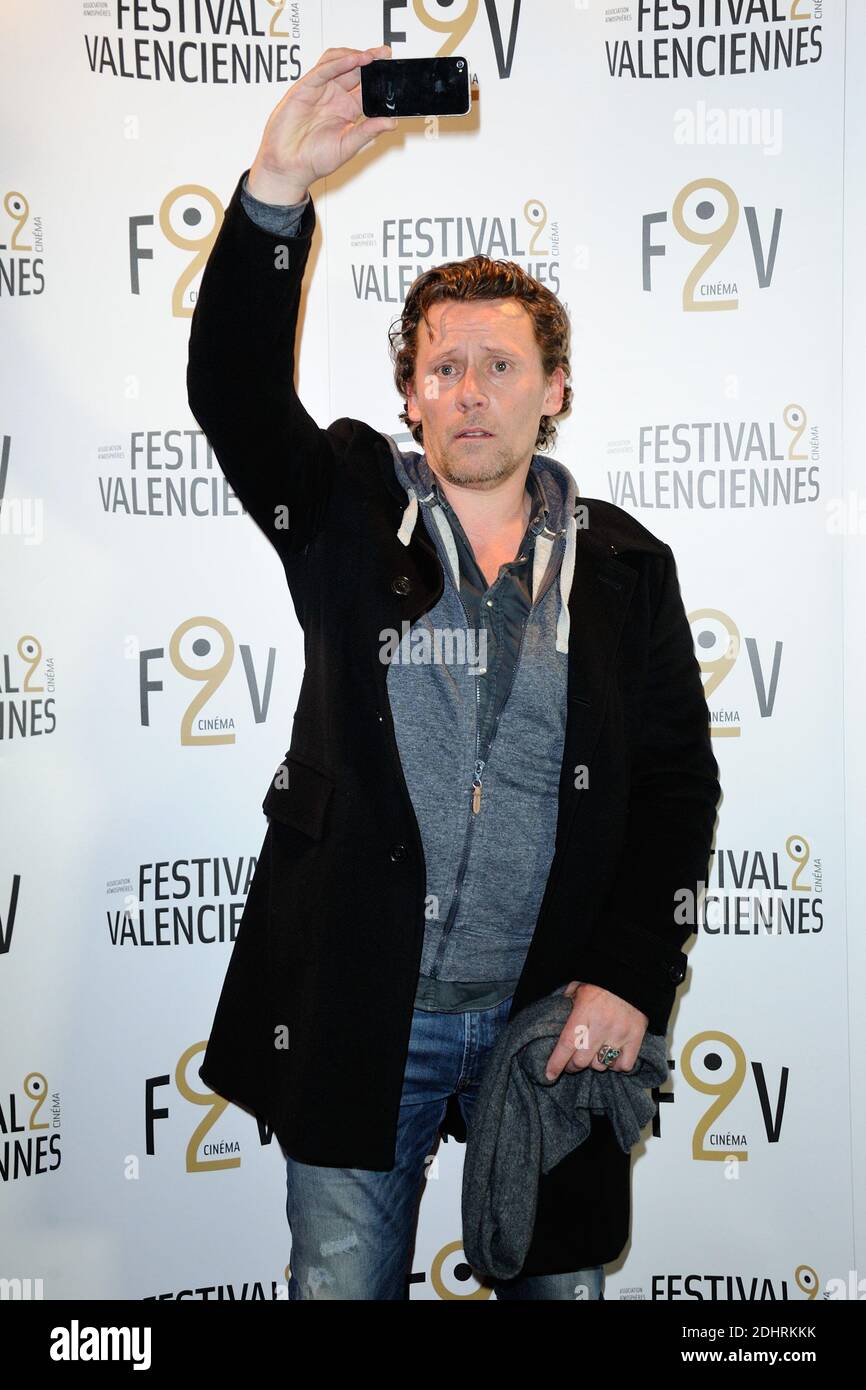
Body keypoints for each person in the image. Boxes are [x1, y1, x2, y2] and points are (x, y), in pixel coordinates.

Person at [187, 44, 721, 1301]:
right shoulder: (341, 506)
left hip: (549, 1014)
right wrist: (275, 189)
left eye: (499, 366)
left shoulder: (627, 567)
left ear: (554, 391)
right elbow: (231, 390)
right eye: (441, 366)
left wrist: (633, 975)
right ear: (408, 394)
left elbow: (673, 788)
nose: (468, 392)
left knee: (563, 1289)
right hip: (364, 1007)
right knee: (337, 1285)